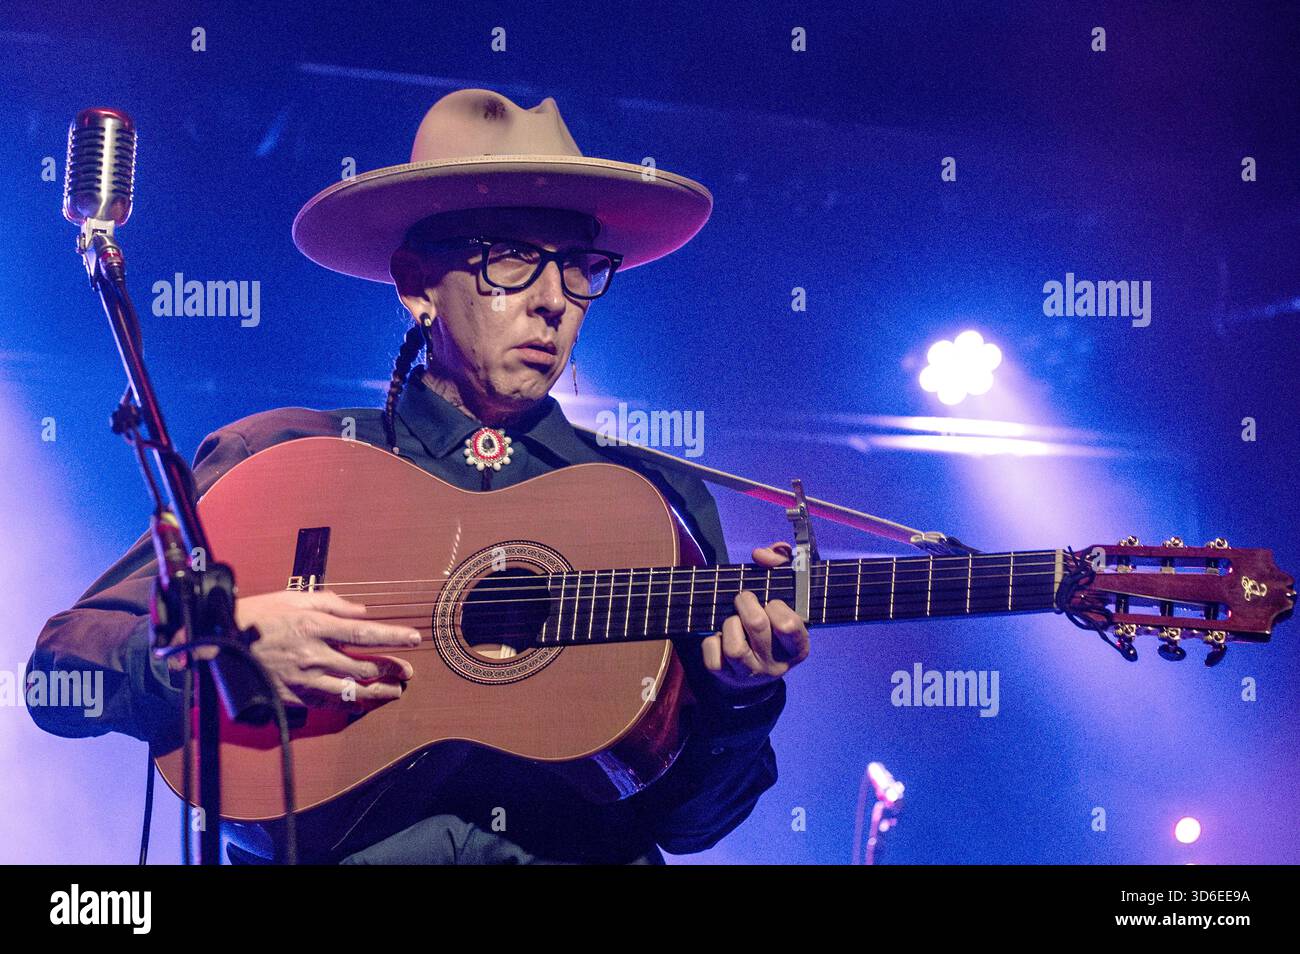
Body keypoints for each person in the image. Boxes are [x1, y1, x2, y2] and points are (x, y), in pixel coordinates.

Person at [27, 88, 811, 864]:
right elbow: (55, 677)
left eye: (578, 267)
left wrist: (742, 700)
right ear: (416, 286)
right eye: (511, 259)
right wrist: (211, 657)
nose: (553, 302)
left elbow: (690, 827)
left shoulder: (652, 507)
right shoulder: (279, 458)